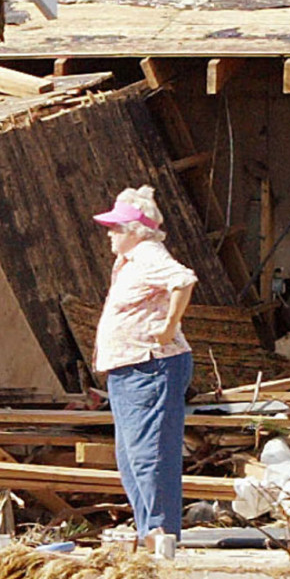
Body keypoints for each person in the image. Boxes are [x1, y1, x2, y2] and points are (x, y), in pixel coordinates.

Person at [90, 185, 197, 559]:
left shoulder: (149, 252)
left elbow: (183, 280)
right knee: (131, 457)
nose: (110, 234)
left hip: (149, 366)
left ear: (135, 230)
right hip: (129, 369)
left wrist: (169, 326)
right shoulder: (129, 260)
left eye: (117, 228)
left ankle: (161, 535)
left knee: (150, 454)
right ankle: (148, 529)